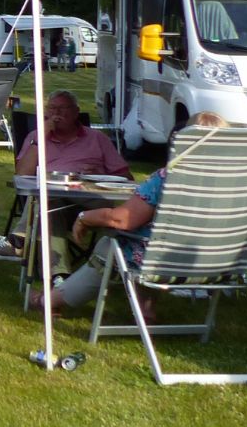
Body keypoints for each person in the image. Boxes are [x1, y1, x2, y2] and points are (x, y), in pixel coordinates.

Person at [31, 112, 231, 319]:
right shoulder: (238, 184)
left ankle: (48, 301)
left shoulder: (167, 179)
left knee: (111, 247)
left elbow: (121, 219)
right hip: (221, 260)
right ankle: (145, 310)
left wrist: (84, 217)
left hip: (166, 259)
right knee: (143, 242)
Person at [0, 90, 131, 262]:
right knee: (48, 206)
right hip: (52, 201)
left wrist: (100, 175)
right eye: (52, 108)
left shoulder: (97, 138)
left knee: (44, 201)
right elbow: (22, 174)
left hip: (90, 200)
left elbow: (127, 178)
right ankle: (59, 277)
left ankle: (18, 241)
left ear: (76, 112)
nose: (56, 113)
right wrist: (41, 137)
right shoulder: (36, 137)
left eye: (63, 108)